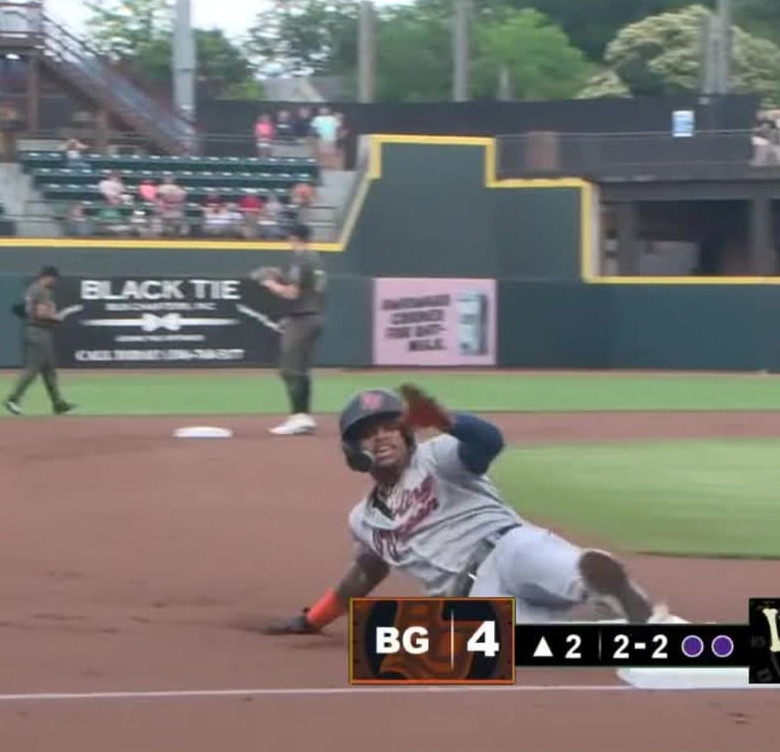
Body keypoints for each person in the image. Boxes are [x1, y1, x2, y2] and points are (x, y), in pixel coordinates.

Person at [261, 384, 656, 635]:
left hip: (506, 547)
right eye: (368, 433)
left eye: (388, 427)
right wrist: (313, 619)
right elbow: (362, 577)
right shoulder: (363, 520)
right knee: (524, 643)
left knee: (555, 564)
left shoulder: (437, 457)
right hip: (472, 599)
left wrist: (449, 422)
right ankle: (612, 617)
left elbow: (488, 443)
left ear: (406, 433)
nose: (380, 436)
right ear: (353, 452)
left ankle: (607, 588)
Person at [257, 223, 325, 435]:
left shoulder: (301, 258)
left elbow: (292, 293)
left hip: (303, 317)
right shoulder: (315, 257)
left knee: (289, 369)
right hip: (312, 315)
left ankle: (298, 417)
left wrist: (270, 284)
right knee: (301, 370)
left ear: (295, 237)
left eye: (289, 236)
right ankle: (303, 417)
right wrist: (281, 277)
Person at [4, 265, 75, 416]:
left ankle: (58, 403)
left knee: (49, 370)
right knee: (33, 369)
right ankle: (13, 399)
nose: (55, 282)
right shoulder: (42, 291)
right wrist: (57, 317)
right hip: (39, 332)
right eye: (53, 279)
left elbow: (24, 310)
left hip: (35, 331)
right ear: (47, 277)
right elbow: (41, 314)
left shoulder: (31, 289)